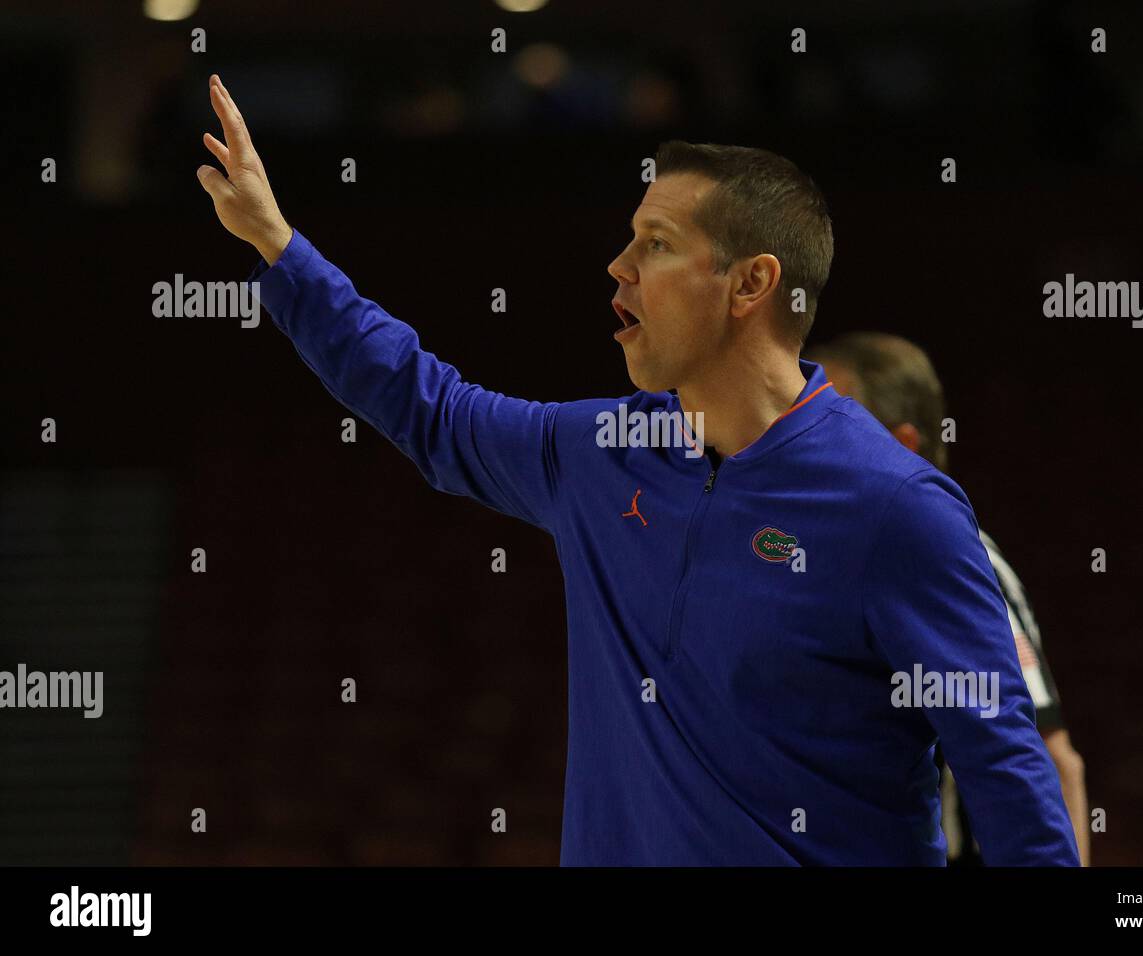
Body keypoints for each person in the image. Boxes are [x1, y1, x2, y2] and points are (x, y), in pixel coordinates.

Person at [196, 73, 1078, 865]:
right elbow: (429, 406)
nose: (617, 267)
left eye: (655, 243)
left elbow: (1008, 780)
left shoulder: (897, 508)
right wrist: (279, 247)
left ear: (750, 283)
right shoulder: (597, 455)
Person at [805, 331, 1090, 865]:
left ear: (902, 443)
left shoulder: (957, 557)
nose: (801, 434)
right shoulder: (811, 552)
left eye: (829, 420)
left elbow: (1053, 761)